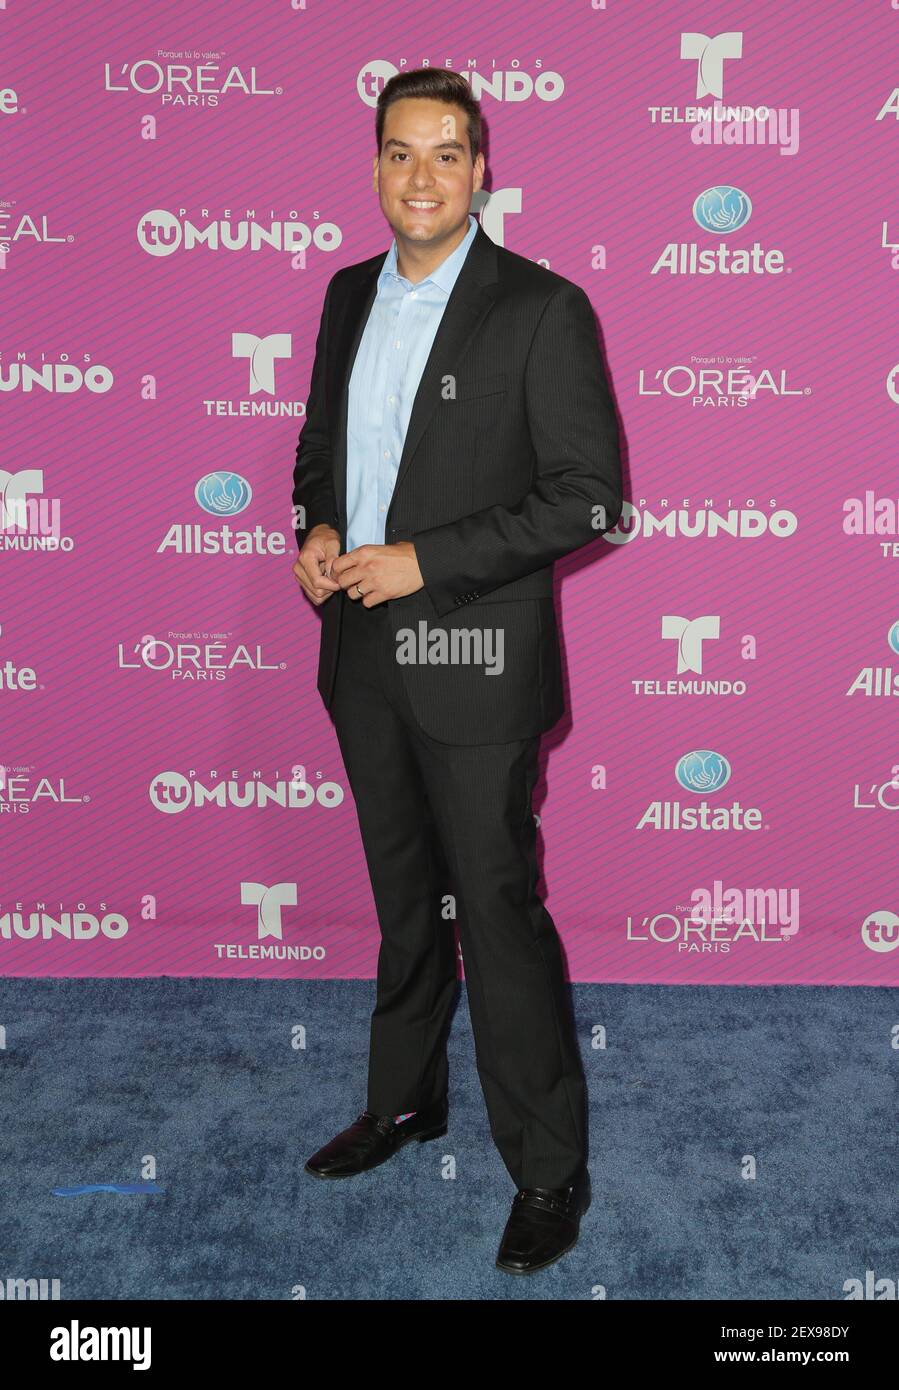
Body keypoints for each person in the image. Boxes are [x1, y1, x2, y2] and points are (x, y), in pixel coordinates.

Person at [291, 67, 622, 1275]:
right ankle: (403, 1100)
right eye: (397, 153)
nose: (419, 176)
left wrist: (421, 561)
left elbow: (587, 494)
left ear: (480, 169)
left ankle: (547, 1165)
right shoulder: (340, 297)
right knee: (402, 898)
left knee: (493, 906)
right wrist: (314, 531)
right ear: (373, 167)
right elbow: (323, 450)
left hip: (472, 654)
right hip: (361, 652)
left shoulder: (539, 307)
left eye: (444, 154)